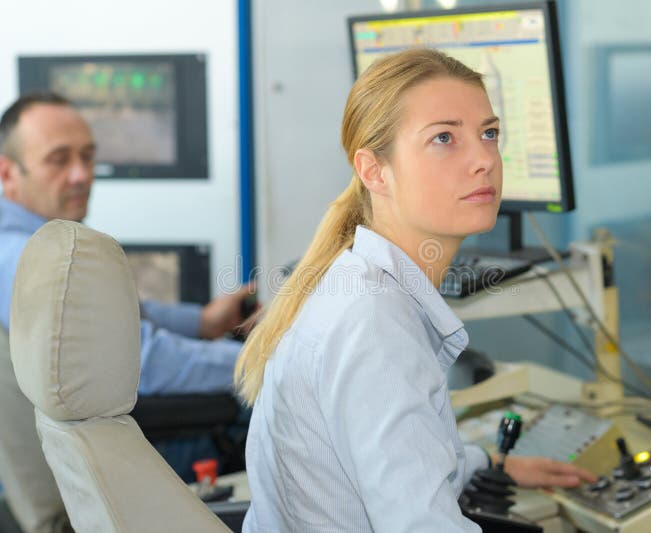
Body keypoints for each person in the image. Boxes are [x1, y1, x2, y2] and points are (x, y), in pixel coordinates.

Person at [234, 48, 595, 531]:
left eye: (489, 134)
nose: (484, 160)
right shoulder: (373, 326)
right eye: (444, 138)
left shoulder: (354, 283)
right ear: (373, 171)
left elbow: (391, 457)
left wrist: (485, 462)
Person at [0, 91, 254, 481]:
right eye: (58, 160)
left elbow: (119, 322)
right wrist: (260, 361)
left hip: (108, 443)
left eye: (87, 156)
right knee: (271, 401)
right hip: (124, 457)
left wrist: (204, 322)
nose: (81, 175)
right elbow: (141, 363)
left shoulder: (24, 244)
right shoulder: (22, 261)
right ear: (7, 173)